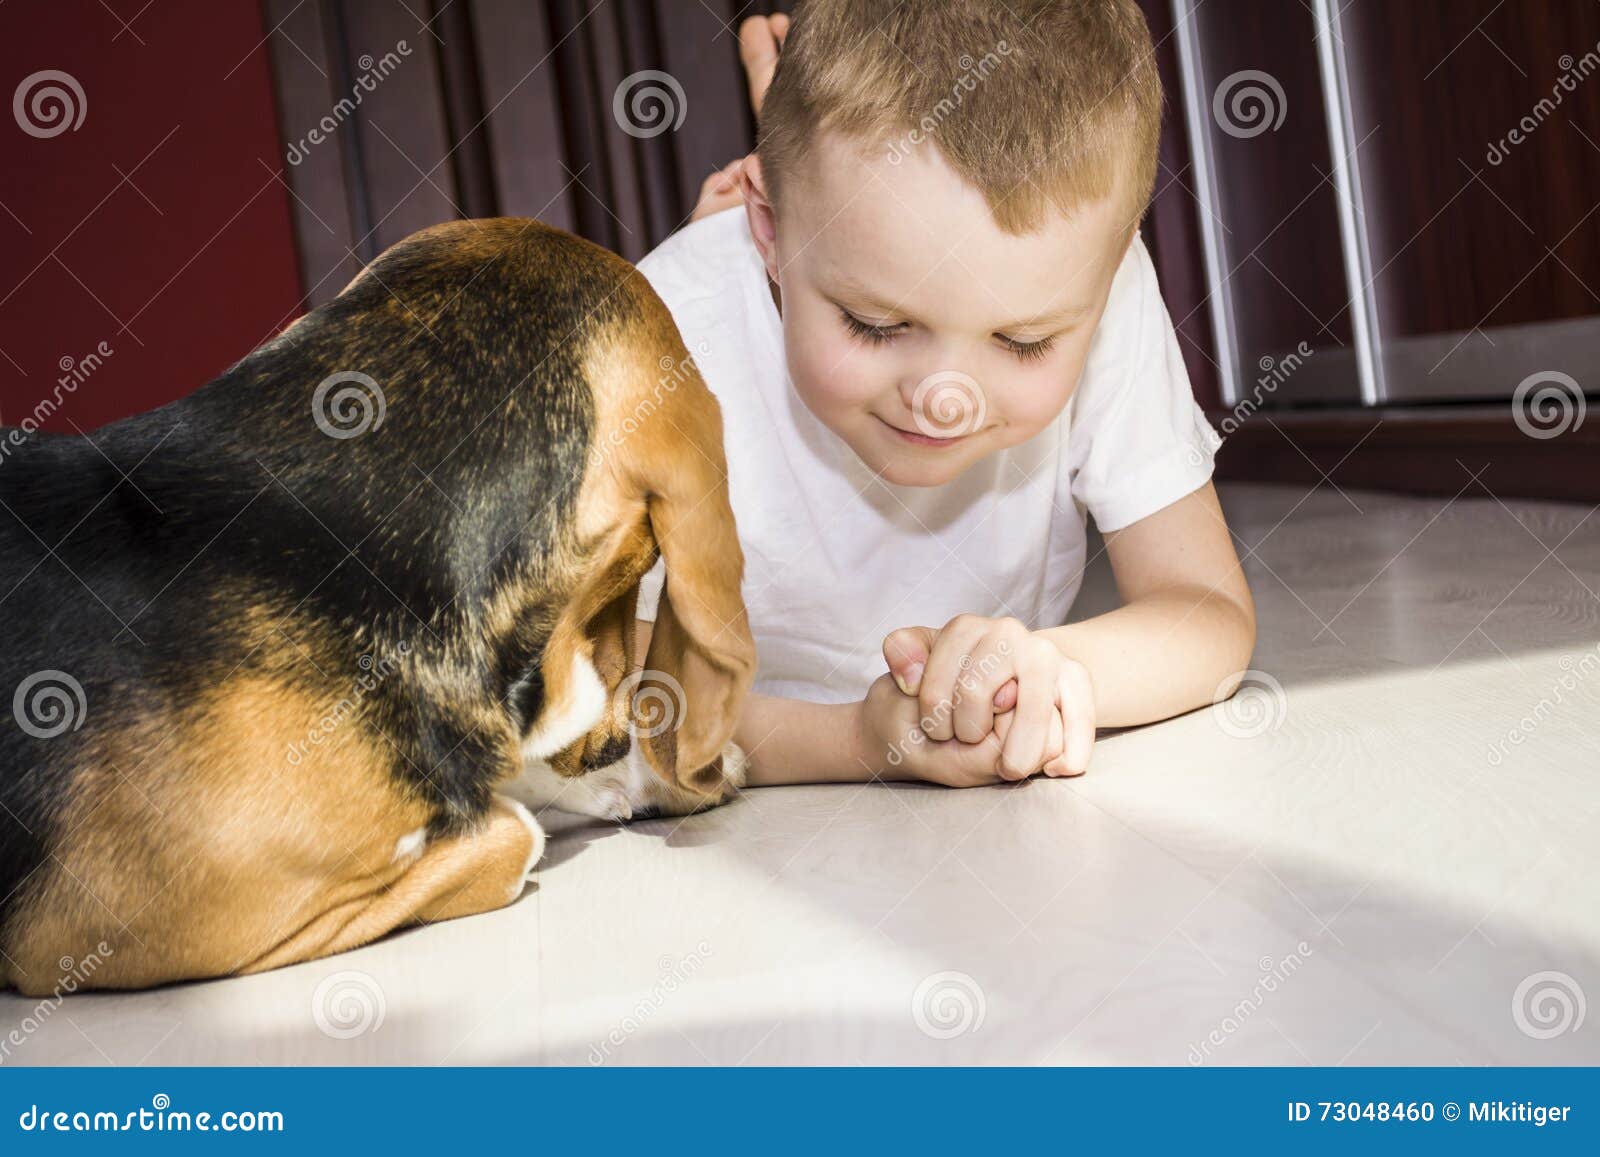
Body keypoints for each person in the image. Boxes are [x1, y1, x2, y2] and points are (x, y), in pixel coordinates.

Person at [633, 1, 1255, 789]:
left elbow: (1206, 611)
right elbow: (608, 694)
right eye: (875, 323)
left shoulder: (1100, 285)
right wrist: (855, 741)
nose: (944, 401)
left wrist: (1049, 670)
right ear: (766, 226)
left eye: (1023, 341)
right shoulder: (659, 337)